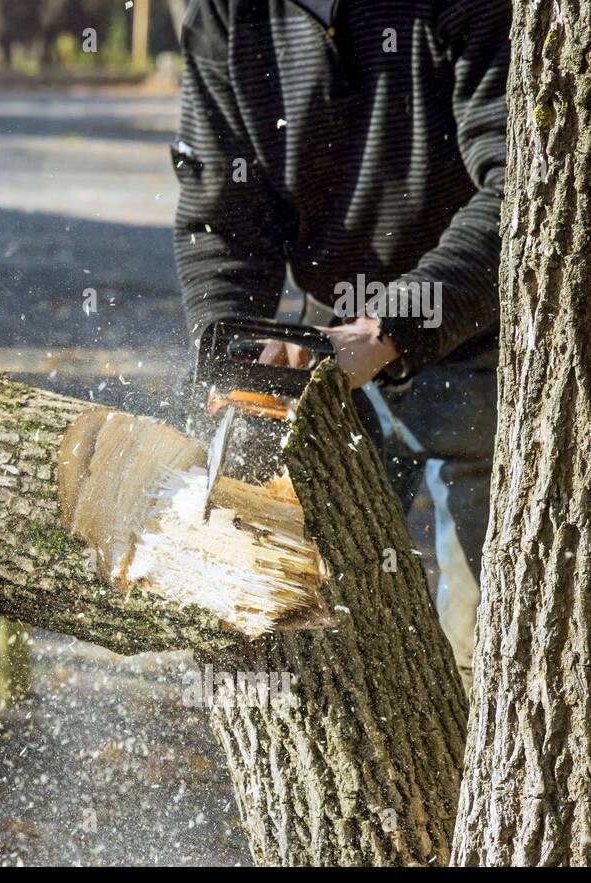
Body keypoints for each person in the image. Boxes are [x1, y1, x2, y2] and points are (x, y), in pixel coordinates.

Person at [172, 0, 510, 684]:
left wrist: (390, 326)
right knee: (315, 624)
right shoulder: (225, 14)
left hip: (478, 331)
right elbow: (222, 216)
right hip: (335, 333)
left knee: (490, 640)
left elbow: (521, 190)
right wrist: (234, 353)